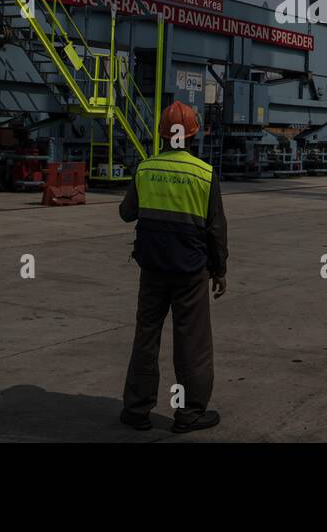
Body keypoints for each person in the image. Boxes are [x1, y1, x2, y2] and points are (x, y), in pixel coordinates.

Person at [119, 101, 229, 432]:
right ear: (194, 134)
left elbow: (126, 213)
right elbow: (216, 229)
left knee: (146, 336)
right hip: (191, 271)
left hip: (152, 269)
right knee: (191, 343)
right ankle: (189, 413)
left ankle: (137, 409)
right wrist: (219, 270)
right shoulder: (204, 174)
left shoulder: (145, 169)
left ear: (162, 135)